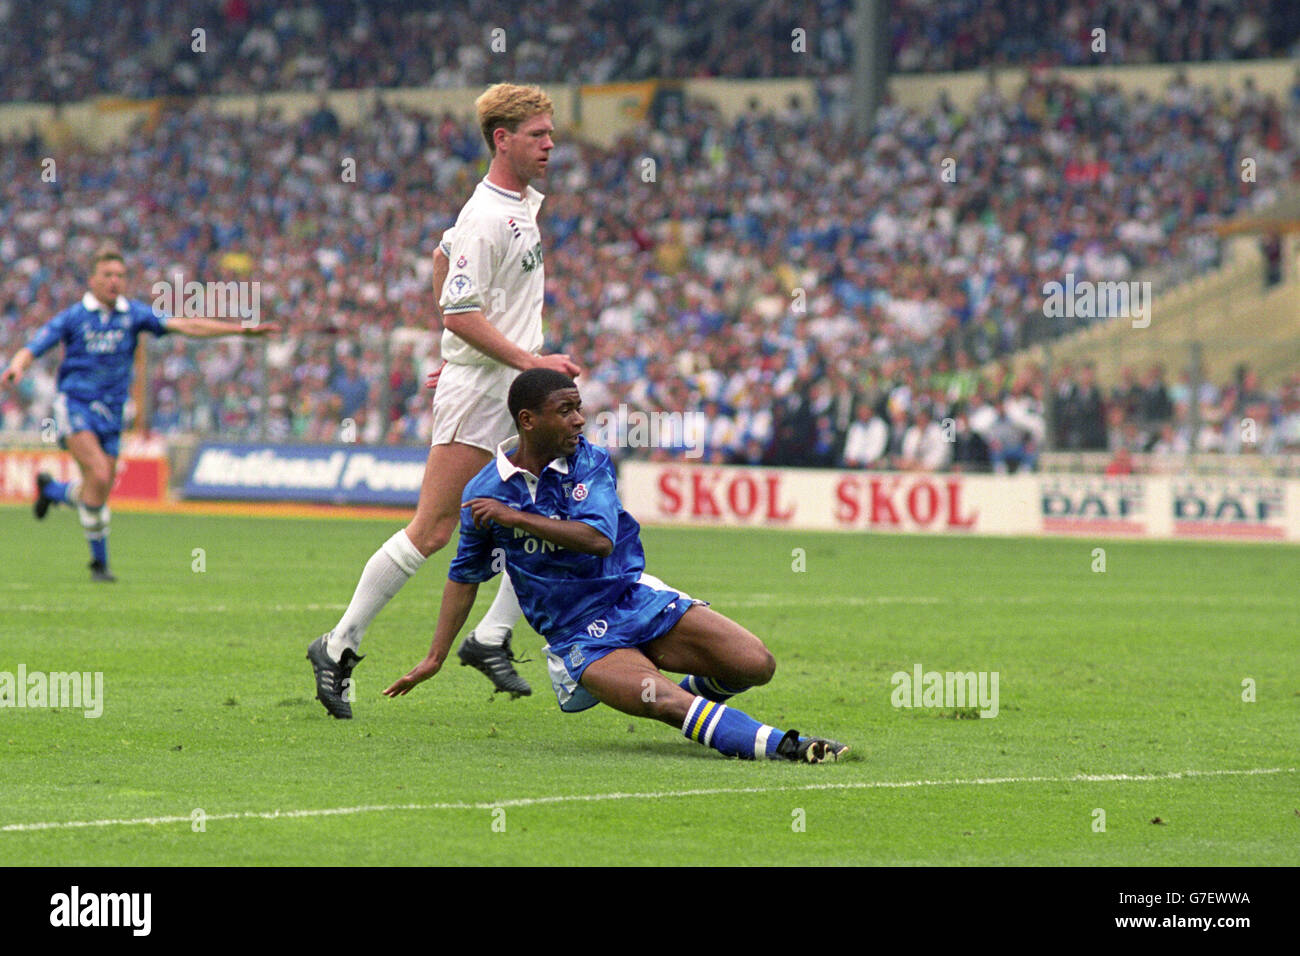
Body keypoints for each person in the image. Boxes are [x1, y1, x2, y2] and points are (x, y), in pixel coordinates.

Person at [383, 369, 849, 763]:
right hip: (577, 634)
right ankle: (790, 747)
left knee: (756, 664)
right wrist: (435, 657)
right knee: (663, 700)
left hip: (632, 597)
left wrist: (515, 517)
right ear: (528, 421)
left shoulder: (589, 462)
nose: (579, 419)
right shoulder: (484, 493)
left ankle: (678, 695)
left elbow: (599, 541)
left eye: (578, 407)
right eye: (566, 410)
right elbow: (465, 576)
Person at [307, 83, 581, 718]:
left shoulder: (513, 207)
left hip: (502, 382)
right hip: (488, 391)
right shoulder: (490, 216)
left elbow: (441, 258)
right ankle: (338, 644)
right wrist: (516, 360)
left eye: (549, 133)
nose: (550, 143)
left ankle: (491, 636)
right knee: (433, 528)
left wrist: (466, 351)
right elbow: (459, 311)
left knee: (548, 513)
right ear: (502, 140)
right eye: (538, 135)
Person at [0, 244, 278, 581]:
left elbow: (186, 325)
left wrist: (241, 330)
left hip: (113, 413)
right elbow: (35, 346)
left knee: (96, 490)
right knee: (100, 474)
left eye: (120, 275)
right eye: (107, 275)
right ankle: (99, 565)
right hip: (75, 405)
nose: (115, 280)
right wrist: (16, 367)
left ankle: (54, 492)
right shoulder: (74, 317)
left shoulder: (134, 314)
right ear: (92, 279)